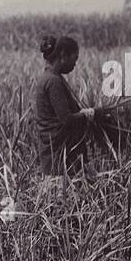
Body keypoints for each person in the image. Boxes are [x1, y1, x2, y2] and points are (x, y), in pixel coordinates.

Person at [32, 35, 97, 177]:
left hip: (54, 153)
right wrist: (87, 114)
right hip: (58, 156)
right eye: (74, 58)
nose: (75, 64)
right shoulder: (53, 81)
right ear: (63, 56)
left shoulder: (50, 77)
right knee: (63, 195)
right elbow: (66, 119)